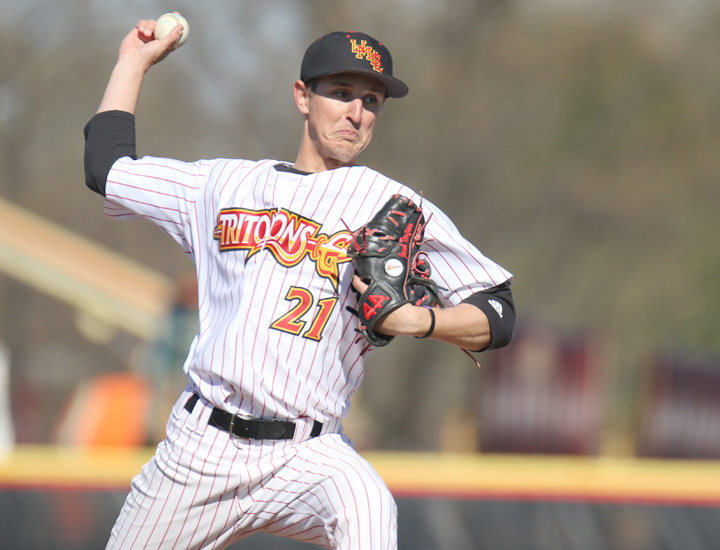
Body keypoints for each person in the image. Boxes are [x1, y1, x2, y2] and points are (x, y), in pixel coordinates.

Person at [83, 17, 515, 550]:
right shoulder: (222, 184)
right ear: (302, 97)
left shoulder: (394, 206)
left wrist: (420, 320)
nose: (357, 113)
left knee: (368, 506)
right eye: (341, 93)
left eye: (372, 100)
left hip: (306, 452)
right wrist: (132, 63)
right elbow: (106, 167)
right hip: (201, 445)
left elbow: (498, 312)